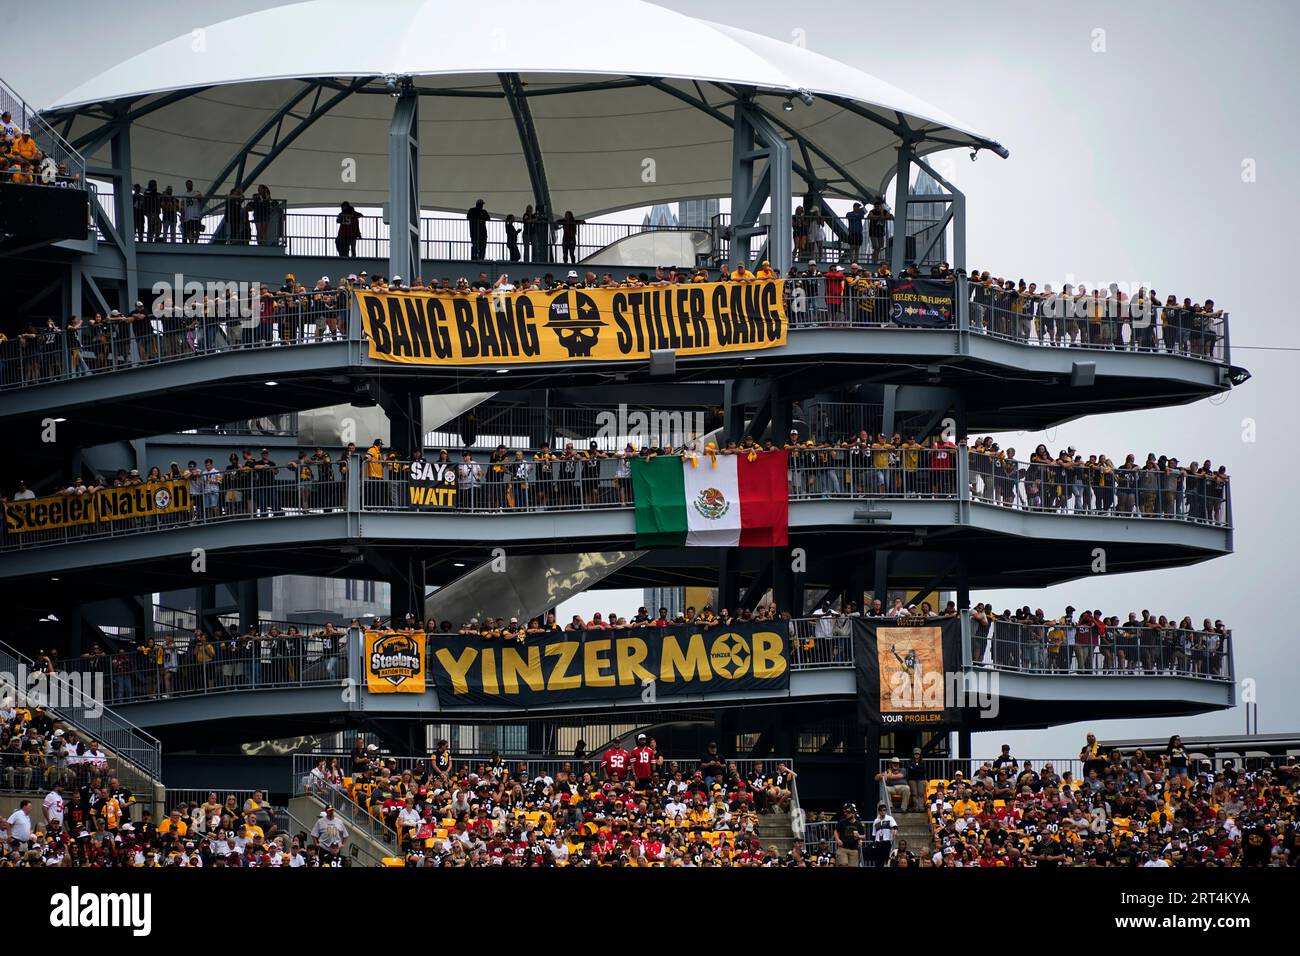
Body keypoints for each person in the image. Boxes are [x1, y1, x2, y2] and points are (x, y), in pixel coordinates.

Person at [833, 802, 864, 867]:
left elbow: (863, 836)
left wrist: (859, 836)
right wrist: (838, 840)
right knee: (844, 864)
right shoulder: (842, 822)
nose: (846, 814)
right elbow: (836, 831)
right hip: (842, 848)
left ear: (853, 813)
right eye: (845, 812)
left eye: (848, 812)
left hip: (854, 849)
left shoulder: (859, 824)